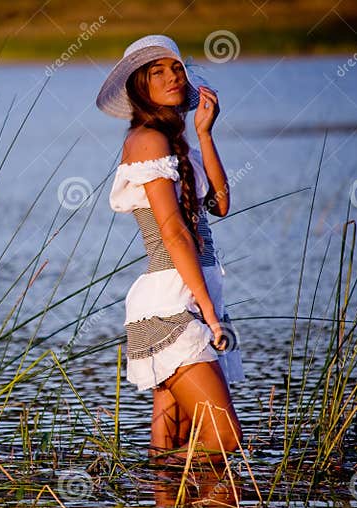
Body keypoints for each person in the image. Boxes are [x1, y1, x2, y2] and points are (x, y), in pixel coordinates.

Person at [95, 34, 246, 465]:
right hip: (173, 303)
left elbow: (220, 204)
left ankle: (160, 492)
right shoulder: (146, 141)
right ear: (140, 87)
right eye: (157, 71)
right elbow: (174, 234)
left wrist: (205, 134)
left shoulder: (175, 143)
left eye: (176, 67)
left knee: (175, 440)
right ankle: (152, 481)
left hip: (195, 295)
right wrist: (210, 314)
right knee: (224, 438)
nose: (172, 76)